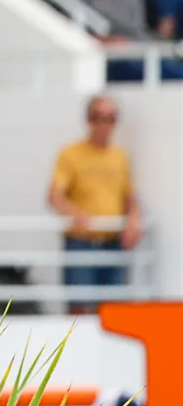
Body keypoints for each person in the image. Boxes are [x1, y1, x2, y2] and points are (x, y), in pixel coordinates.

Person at [49, 95, 141, 310]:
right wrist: (75, 213)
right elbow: (55, 195)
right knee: (79, 310)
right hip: (81, 242)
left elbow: (129, 197)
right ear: (88, 119)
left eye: (110, 118)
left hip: (113, 243)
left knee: (116, 309)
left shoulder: (120, 157)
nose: (103, 124)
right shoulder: (70, 154)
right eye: (97, 117)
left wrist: (134, 219)